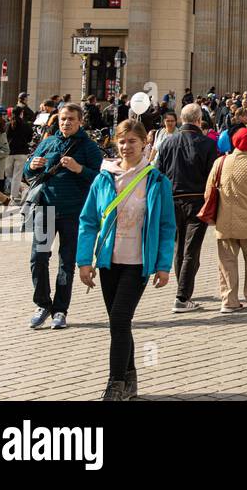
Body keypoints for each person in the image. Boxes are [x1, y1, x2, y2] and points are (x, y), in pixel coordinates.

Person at [76, 119, 175, 400]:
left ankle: (115, 384)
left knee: (119, 319)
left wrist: (163, 265)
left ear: (144, 143)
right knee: (120, 323)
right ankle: (130, 379)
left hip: (138, 262)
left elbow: (167, 226)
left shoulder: (157, 180)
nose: (126, 146)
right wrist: (84, 261)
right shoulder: (104, 177)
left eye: (132, 141)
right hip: (109, 260)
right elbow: (88, 221)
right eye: (121, 141)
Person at [22, 103, 103, 330]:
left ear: (80, 122)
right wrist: (31, 165)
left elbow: (100, 179)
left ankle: (60, 310)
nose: (66, 123)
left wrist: (80, 169)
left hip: (73, 212)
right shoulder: (47, 143)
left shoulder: (89, 147)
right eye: (62, 119)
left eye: (70, 119)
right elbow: (29, 174)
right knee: (38, 258)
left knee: (66, 263)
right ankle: (43, 304)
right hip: (45, 209)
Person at [154, 103, 218, 313]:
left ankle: (182, 288)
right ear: (199, 120)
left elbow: (158, 173)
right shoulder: (207, 145)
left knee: (178, 246)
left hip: (172, 200)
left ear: (182, 120)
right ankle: (182, 296)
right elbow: (213, 177)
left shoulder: (167, 143)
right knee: (191, 249)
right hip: (197, 201)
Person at [203, 126, 247, 312]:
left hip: (224, 221)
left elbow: (208, 190)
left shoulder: (220, 162)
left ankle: (229, 300)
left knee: (226, 261)